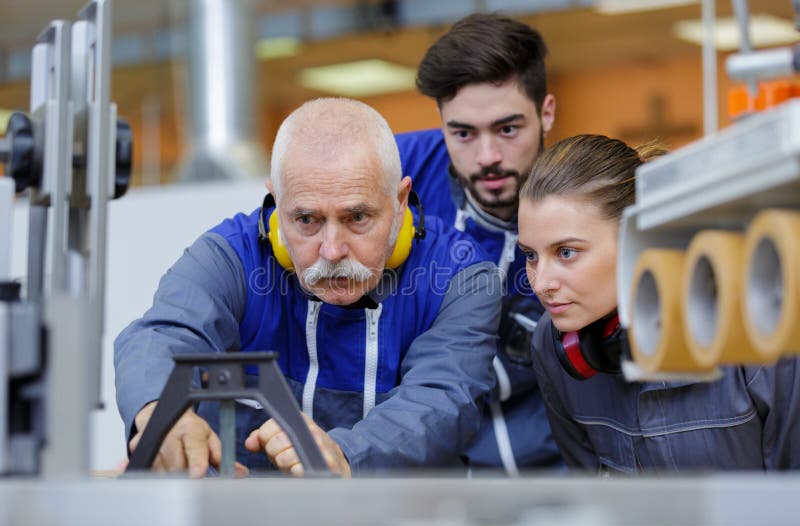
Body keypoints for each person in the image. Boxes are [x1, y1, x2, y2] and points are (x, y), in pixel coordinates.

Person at [114, 98, 502, 477]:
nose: (332, 250)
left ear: (400, 202)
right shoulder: (230, 257)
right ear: (276, 203)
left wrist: (345, 454)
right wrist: (158, 412)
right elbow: (161, 336)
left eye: (357, 217)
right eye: (306, 220)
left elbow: (442, 400)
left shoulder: (460, 275)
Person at [520, 133, 800, 472]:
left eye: (566, 253)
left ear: (637, 236)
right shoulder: (552, 346)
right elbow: (595, 501)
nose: (542, 283)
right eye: (531, 256)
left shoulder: (759, 331)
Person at [394, 13, 562, 474]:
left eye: (508, 129)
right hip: (418, 464)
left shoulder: (584, 204)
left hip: (550, 468)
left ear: (546, 113)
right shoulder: (394, 173)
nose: (487, 157)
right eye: (463, 133)